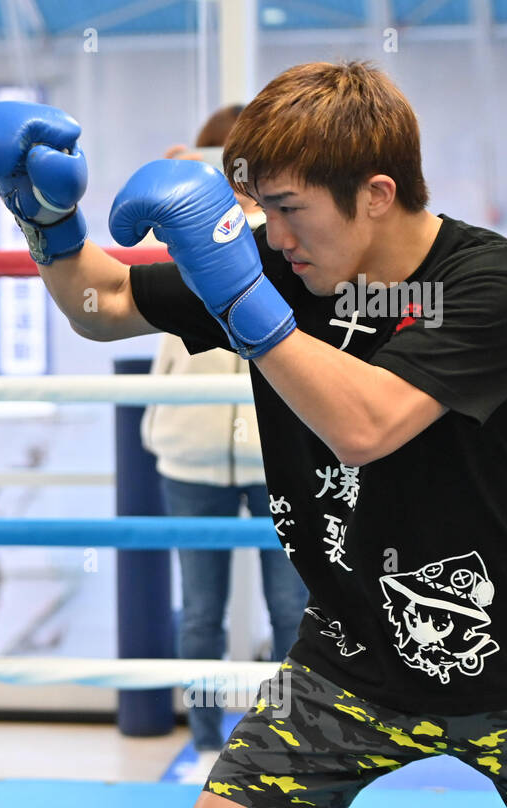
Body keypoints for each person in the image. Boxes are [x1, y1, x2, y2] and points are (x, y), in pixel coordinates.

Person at [0, 61, 507, 808]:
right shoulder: (281, 269)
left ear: (377, 194)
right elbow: (104, 305)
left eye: (291, 210)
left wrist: (242, 299)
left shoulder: (491, 285)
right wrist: (49, 222)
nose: (277, 236)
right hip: (353, 662)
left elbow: (366, 424)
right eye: (265, 210)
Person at [140, 106, 308, 759]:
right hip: (190, 445)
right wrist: (177, 189)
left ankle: (292, 746)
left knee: (292, 610)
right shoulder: (179, 224)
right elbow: (125, 282)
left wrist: (246, 205)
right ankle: (206, 748)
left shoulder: (287, 231)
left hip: (278, 450)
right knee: (202, 614)